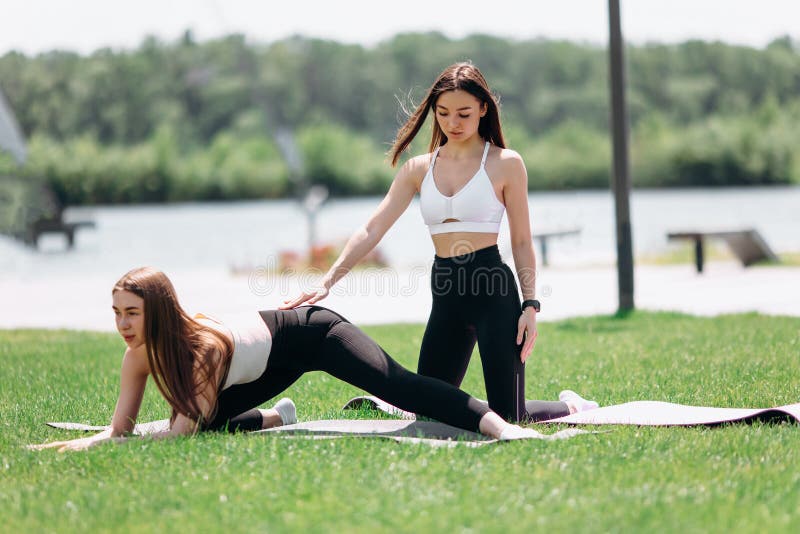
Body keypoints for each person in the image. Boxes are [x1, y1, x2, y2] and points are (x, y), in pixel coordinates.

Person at [280, 61, 597, 422]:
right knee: (428, 414)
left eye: (463, 113)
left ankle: (573, 405)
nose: (453, 123)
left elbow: (522, 241)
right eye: (443, 113)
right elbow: (373, 227)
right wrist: (328, 280)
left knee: (508, 416)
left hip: (492, 290)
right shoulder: (418, 168)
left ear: (483, 108)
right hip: (446, 291)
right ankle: (439, 403)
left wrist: (530, 306)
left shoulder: (506, 163)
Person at [29, 266, 579, 453]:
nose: (122, 324)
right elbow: (118, 431)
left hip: (311, 334)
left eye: (132, 313)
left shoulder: (203, 351)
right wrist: (66, 445)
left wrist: (145, 436)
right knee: (210, 420)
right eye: (116, 312)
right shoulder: (137, 357)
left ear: (160, 311)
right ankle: (277, 415)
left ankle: (498, 426)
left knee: (403, 387)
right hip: (265, 364)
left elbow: (175, 437)